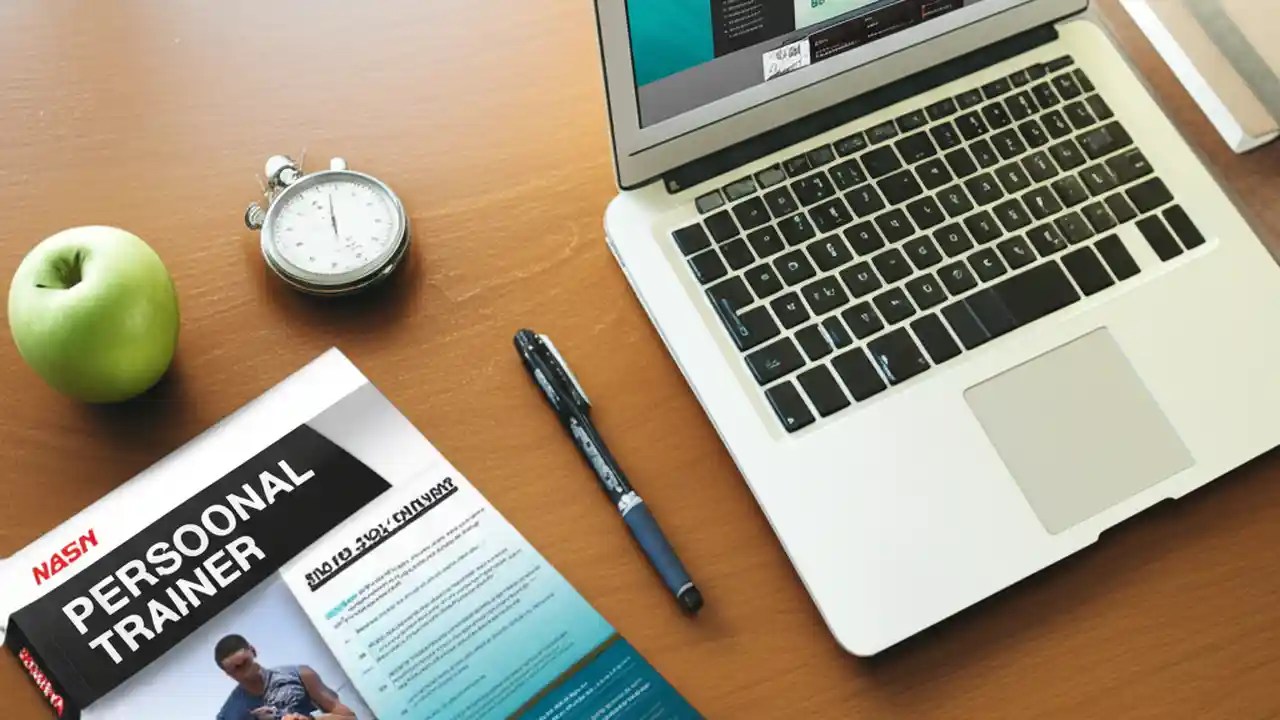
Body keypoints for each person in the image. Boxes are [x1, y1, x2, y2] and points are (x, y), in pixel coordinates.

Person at [214, 634, 357, 720]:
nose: (245, 672)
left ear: (253, 651)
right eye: (236, 669)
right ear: (227, 674)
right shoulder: (229, 714)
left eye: (245, 662)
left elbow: (350, 717)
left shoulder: (300, 675)